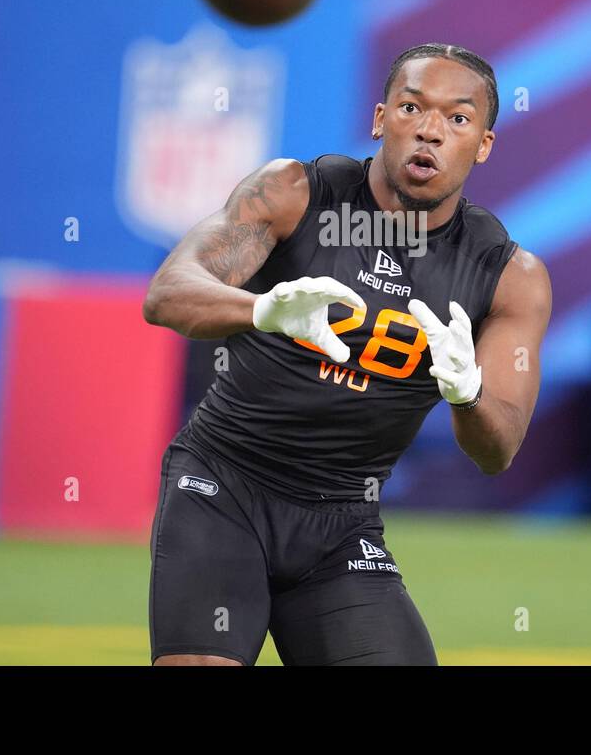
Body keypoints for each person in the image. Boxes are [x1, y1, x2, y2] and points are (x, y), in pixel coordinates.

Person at [142, 43, 552, 665]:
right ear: (380, 118)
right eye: (413, 107)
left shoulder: (507, 274)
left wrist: (467, 394)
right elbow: (168, 293)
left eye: (458, 118)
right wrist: (262, 309)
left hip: (342, 524)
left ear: (485, 144)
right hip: (222, 486)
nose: (430, 130)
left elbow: (497, 449)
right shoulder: (293, 193)